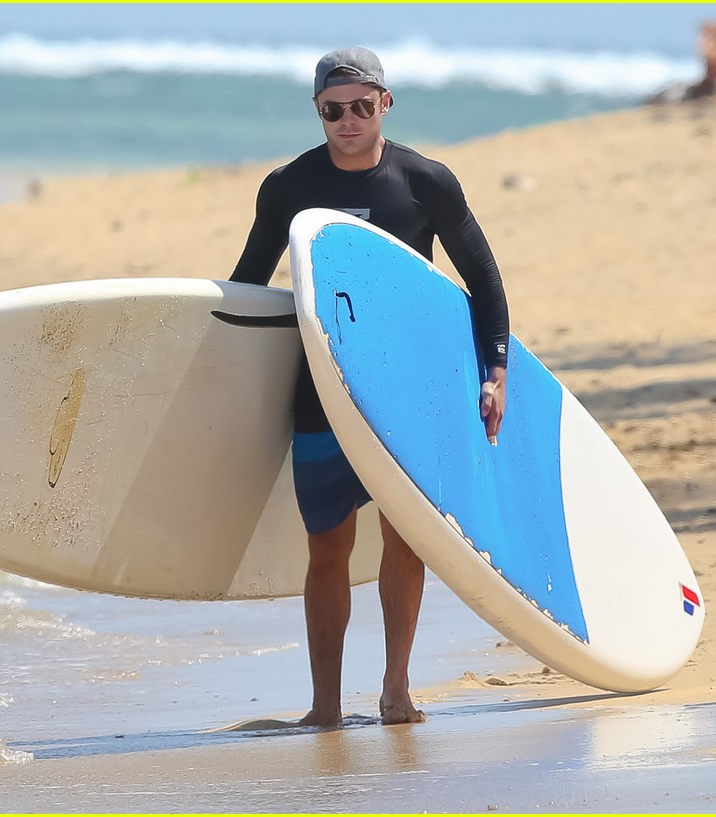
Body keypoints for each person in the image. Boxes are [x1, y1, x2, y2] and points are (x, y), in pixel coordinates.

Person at [228, 47, 510, 728]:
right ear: (317, 111)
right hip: (321, 389)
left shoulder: (425, 181)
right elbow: (247, 287)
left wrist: (494, 372)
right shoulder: (289, 186)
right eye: (333, 110)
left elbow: (483, 280)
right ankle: (325, 706)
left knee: (405, 540)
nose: (348, 120)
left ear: (385, 102)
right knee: (327, 547)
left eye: (361, 105)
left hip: (409, 390)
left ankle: (396, 690)